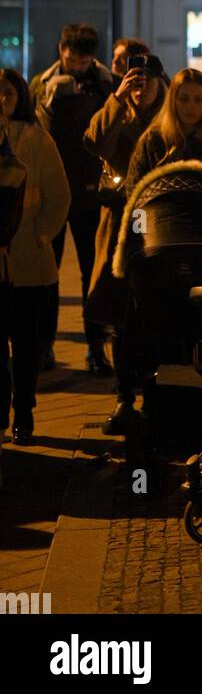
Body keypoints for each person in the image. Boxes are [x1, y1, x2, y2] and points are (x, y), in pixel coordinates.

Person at [83, 51, 166, 434]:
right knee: (121, 316)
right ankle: (123, 398)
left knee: (155, 317)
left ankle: (154, 396)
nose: (141, 86)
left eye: (147, 79)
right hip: (119, 230)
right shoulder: (118, 114)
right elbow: (94, 142)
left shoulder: (169, 121)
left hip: (161, 231)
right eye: (134, 79)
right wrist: (116, 99)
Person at [31, 23, 114, 374]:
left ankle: (96, 349)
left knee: (91, 273)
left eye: (84, 62)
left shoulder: (107, 83)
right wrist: (52, 100)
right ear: (61, 50)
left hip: (91, 192)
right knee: (46, 273)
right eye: (72, 59)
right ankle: (43, 346)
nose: (77, 66)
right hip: (53, 191)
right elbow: (35, 135)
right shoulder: (42, 83)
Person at [0, 69, 70, 444]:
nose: (1, 101)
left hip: (28, 262)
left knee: (26, 345)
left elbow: (59, 196)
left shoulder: (37, 140)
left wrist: (42, 234)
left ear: (20, 97)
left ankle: (24, 410)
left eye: (7, 94)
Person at [126, 68, 202, 192]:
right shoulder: (153, 140)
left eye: (198, 100)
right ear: (173, 101)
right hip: (161, 210)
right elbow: (134, 191)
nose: (190, 106)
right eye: (184, 99)